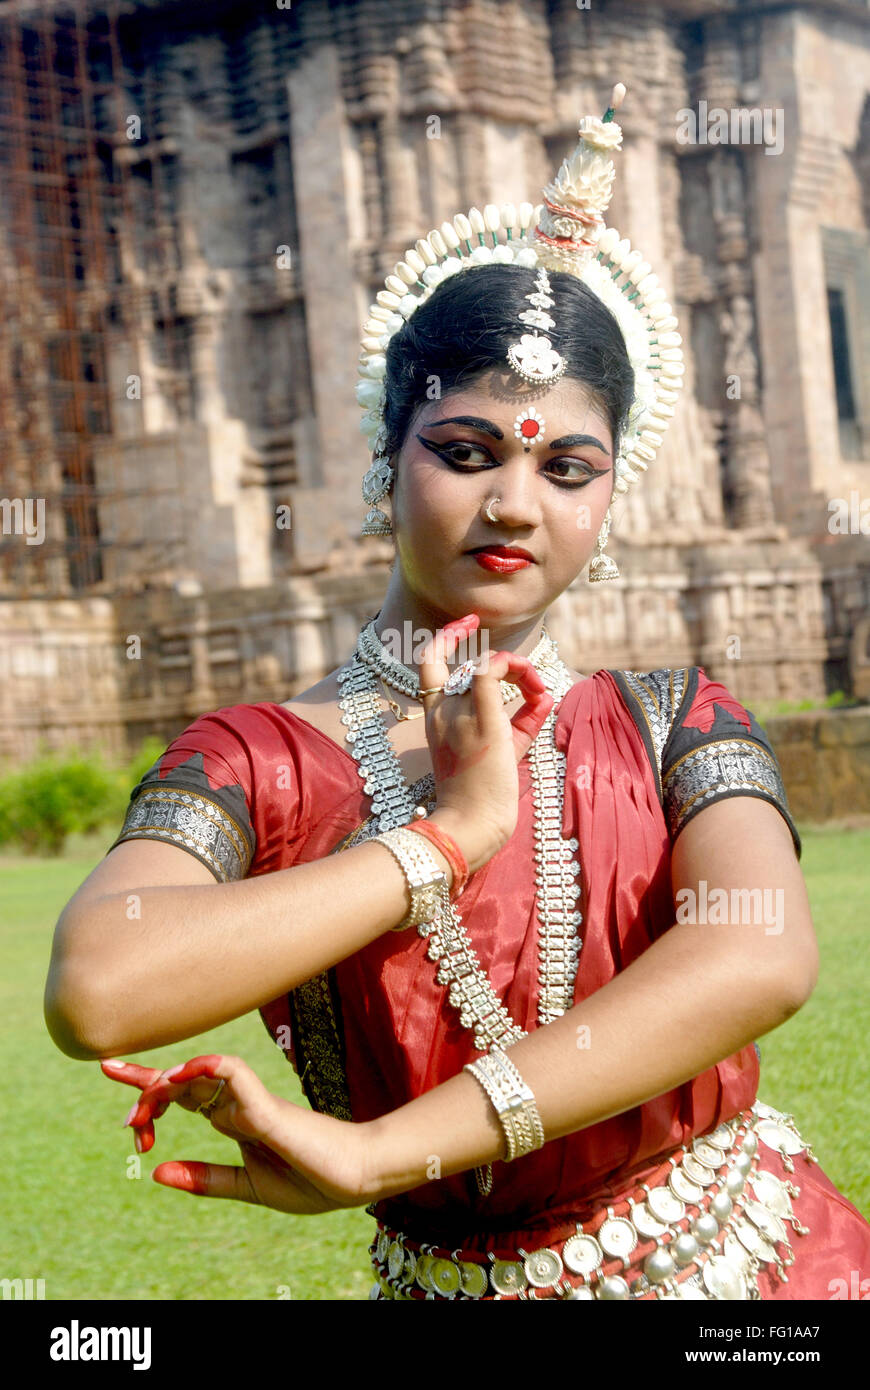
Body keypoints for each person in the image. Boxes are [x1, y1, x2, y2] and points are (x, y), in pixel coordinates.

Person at [45, 86, 870, 1301]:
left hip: (755, 1276)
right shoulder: (261, 757)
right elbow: (98, 988)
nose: (516, 504)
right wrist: (445, 837)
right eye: (468, 451)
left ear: (609, 498)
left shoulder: (668, 718)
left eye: (567, 466)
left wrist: (382, 1148)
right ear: (389, 461)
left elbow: (761, 957)